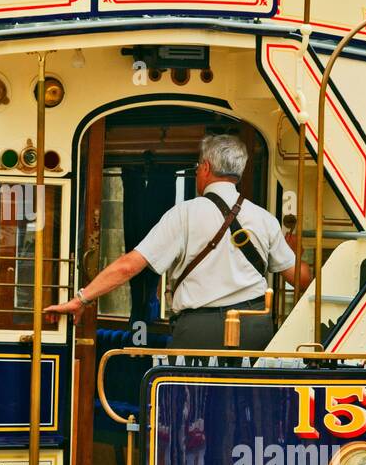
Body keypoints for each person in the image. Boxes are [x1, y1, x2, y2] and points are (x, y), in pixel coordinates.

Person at [47, 132, 312, 351]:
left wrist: (81, 299)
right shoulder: (265, 219)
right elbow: (300, 279)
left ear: (206, 168)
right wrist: (295, 251)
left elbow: (130, 266)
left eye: (198, 167)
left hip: (199, 331)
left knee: (188, 410)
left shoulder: (184, 215)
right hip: (254, 328)